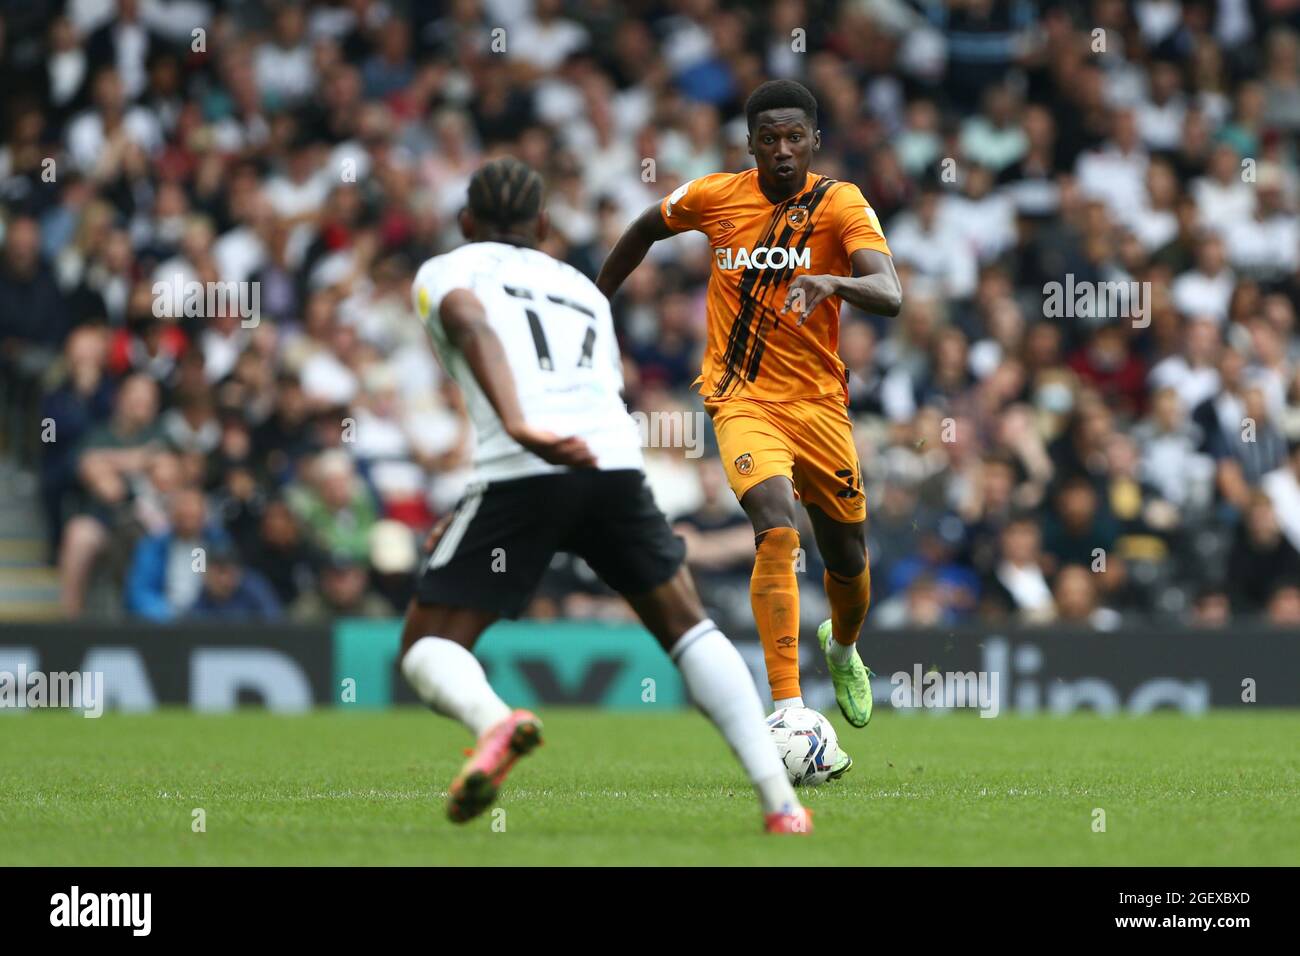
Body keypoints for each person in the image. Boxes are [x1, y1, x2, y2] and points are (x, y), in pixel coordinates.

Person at [403, 157, 809, 834]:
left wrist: (520, 430)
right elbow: (597, 387)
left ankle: (496, 722)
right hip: (614, 465)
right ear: (542, 225)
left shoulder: (447, 269)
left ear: (465, 221)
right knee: (688, 625)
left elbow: (471, 320)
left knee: (426, 645)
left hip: (525, 468)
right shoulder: (579, 287)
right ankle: (783, 803)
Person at [596, 80, 902, 757]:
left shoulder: (838, 203)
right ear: (750, 144)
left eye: (796, 137)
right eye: (770, 138)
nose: (784, 150)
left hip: (820, 405)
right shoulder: (714, 196)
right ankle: (788, 708)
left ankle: (843, 646)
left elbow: (890, 293)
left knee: (848, 555)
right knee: (775, 526)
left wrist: (834, 281)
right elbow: (647, 226)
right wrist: (595, 301)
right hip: (740, 399)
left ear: (815, 140)